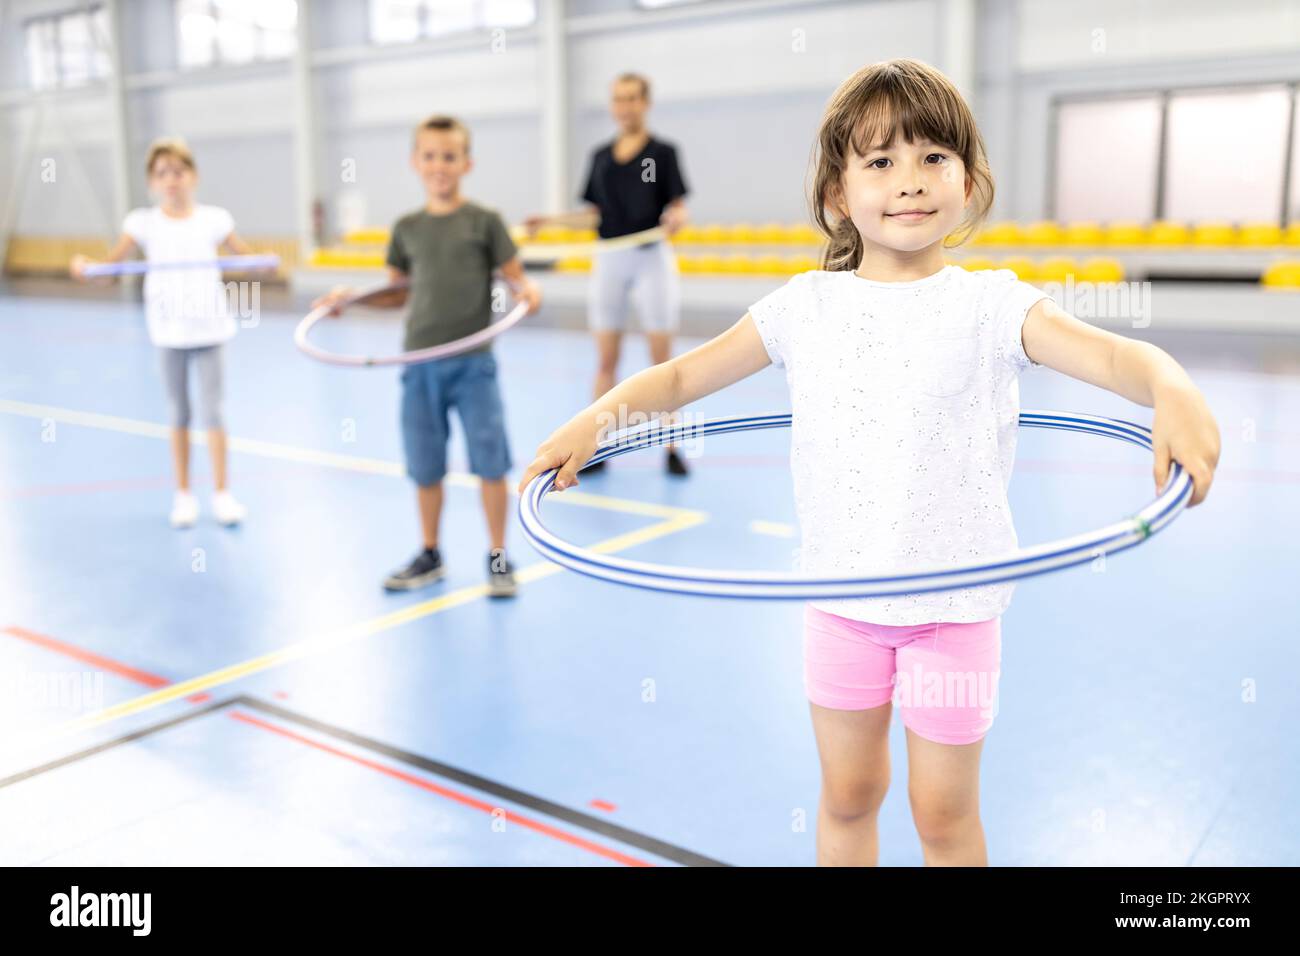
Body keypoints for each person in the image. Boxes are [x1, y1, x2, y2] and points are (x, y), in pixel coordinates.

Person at [518, 59, 1221, 865]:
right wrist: (597, 421)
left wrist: (1171, 386)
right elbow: (680, 376)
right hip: (843, 602)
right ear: (837, 196)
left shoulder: (993, 305)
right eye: (880, 162)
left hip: (954, 609)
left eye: (933, 158)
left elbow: (1113, 359)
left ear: (967, 178)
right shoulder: (804, 309)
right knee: (849, 796)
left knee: (942, 814)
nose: (910, 181)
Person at [314, 115, 541, 598]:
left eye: (450, 156)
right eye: (431, 156)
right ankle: (430, 553)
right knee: (425, 464)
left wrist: (529, 291)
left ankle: (498, 556)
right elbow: (395, 294)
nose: (440, 166)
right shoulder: (407, 228)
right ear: (416, 163)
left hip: (473, 363)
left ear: (467, 163)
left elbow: (516, 279)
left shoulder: (485, 221)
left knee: (490, 462)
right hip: (419, 365)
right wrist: (348, 300)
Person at [72, 137, 256, 528]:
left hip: (210, 330)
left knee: (215, 413)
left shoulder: (214, 219)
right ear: (152, 183)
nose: (172, 180)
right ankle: (184, 495)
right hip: (168, 333)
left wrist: (262, 265)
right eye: (162, 173)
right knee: (178, 414)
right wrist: (87, 268)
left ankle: (222, 494)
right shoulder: (143, 224)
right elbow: (110, 269)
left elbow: (247, 257)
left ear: (194, 176)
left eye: (179, 171)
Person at [526, 72, 690, 476]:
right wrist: (550, 220)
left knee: (661, 360)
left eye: (632, 98)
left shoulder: (662, 153)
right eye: (618, 99)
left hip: (651, 256)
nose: (625, 106)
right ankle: (596, 446)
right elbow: (594, 215)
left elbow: (678, 206)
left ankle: (671, 446)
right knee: (605, 360)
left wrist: (676, 218)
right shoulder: (600, 156)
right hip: (610, 258)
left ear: (645, 102)